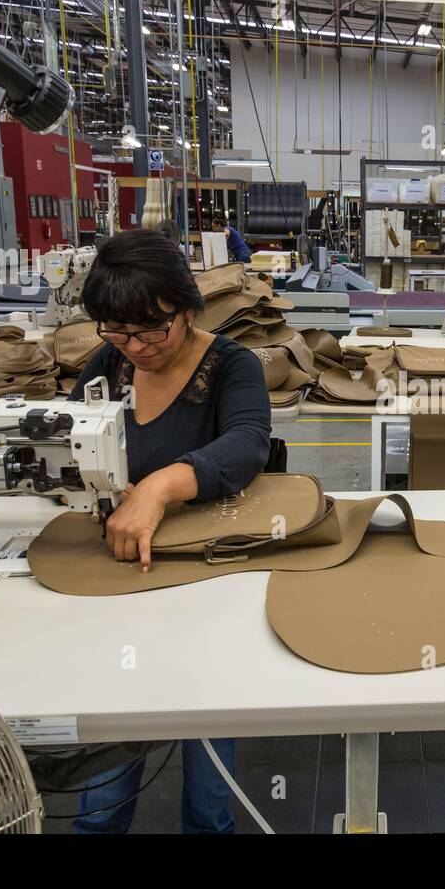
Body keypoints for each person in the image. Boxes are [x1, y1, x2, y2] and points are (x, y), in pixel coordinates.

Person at [67, 228, 271, 834]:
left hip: (209, 592)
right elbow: (72, 436)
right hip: (124, 589)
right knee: (101, 800)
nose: (137, 346)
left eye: (153, 328)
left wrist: (157, 488)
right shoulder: (110, 364)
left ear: (187, 309)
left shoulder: (231, 366)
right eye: (117, 330)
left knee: (208, 801)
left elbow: (246, 444)